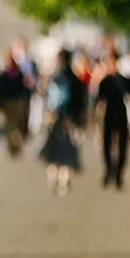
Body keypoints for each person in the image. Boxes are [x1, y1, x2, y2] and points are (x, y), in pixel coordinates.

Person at [38, 48, 85, 194]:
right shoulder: (75, 79)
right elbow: (81, 101)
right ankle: (64, 179)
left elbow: (43, 95)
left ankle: (54, 174)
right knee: (68, 149)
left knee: (53, 147)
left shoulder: (54, 78)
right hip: (69, 118)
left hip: (55, 116)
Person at [94, 51, 130, 189]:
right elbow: (100, 102)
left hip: (121, 114)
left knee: (122, 146)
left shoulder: (124, 81)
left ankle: (118, 173)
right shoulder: (104, 82)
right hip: (109, 115)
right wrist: (97, 120)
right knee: (107, 146)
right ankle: (109, 170)